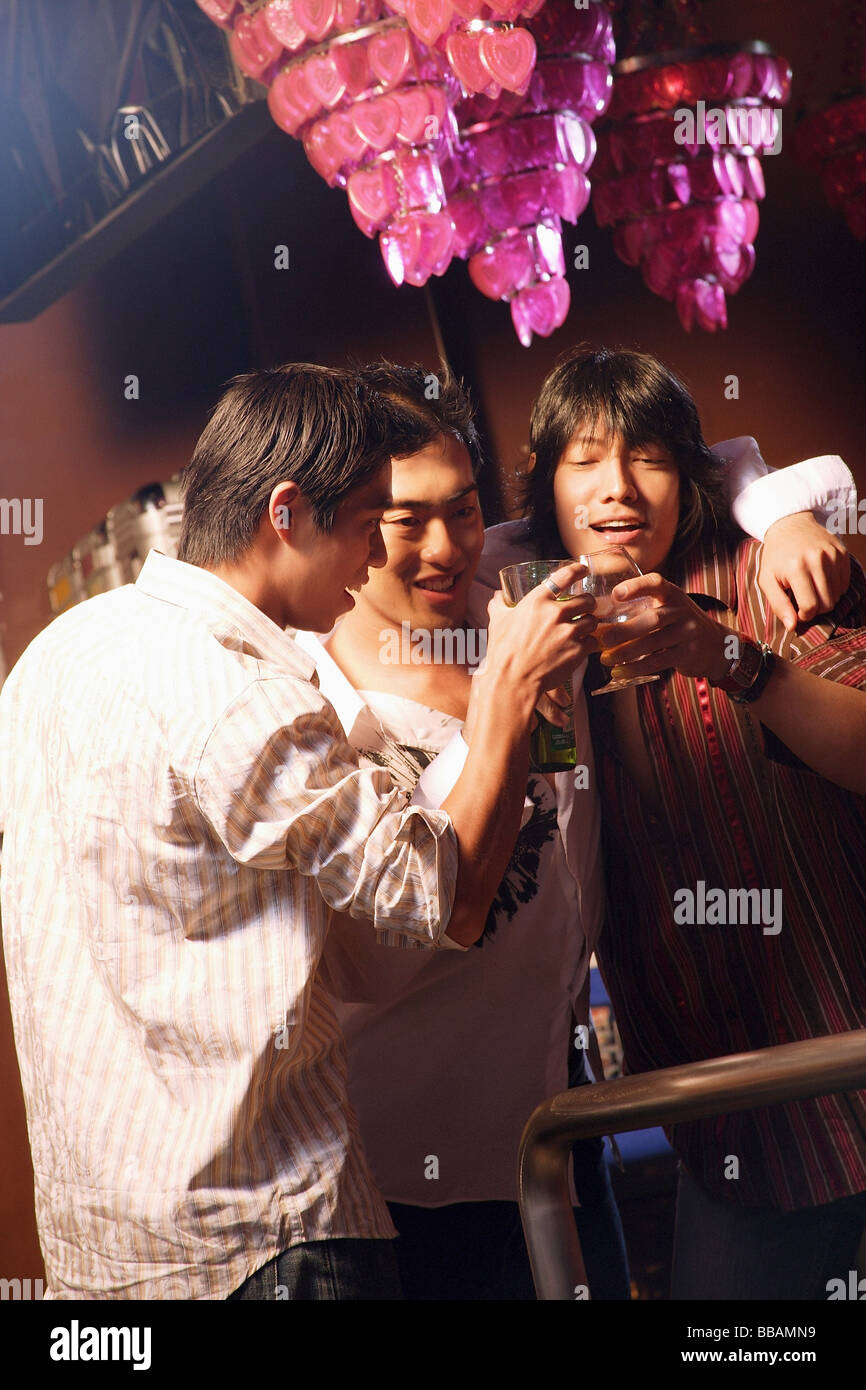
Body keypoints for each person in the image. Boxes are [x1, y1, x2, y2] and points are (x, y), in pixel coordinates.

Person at [0, 362, 595, 1301]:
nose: (370, 563)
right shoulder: (254, 694)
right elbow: (436, 900)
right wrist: (509, 701)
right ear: (286, 514)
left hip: (107, 1255)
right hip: (269, 1238)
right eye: (373, 522)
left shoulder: (54, 655)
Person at [297, 359, 853, 1300]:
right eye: (404, 519)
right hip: (407, 1172)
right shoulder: (326, 687)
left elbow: (702, 470)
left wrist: (781, 522)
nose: (442, 545)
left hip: (624, 1117)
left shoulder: (575, 593)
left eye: (462, 511)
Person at [513, 345, 866, 1301]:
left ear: (690, 476)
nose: (616, 488)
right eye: (583, 461)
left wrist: (732, 658)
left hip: (853, 1088)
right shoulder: (534, 633)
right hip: (726, 1145)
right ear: (545, 487)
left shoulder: (773, 580)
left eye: (649, 457)